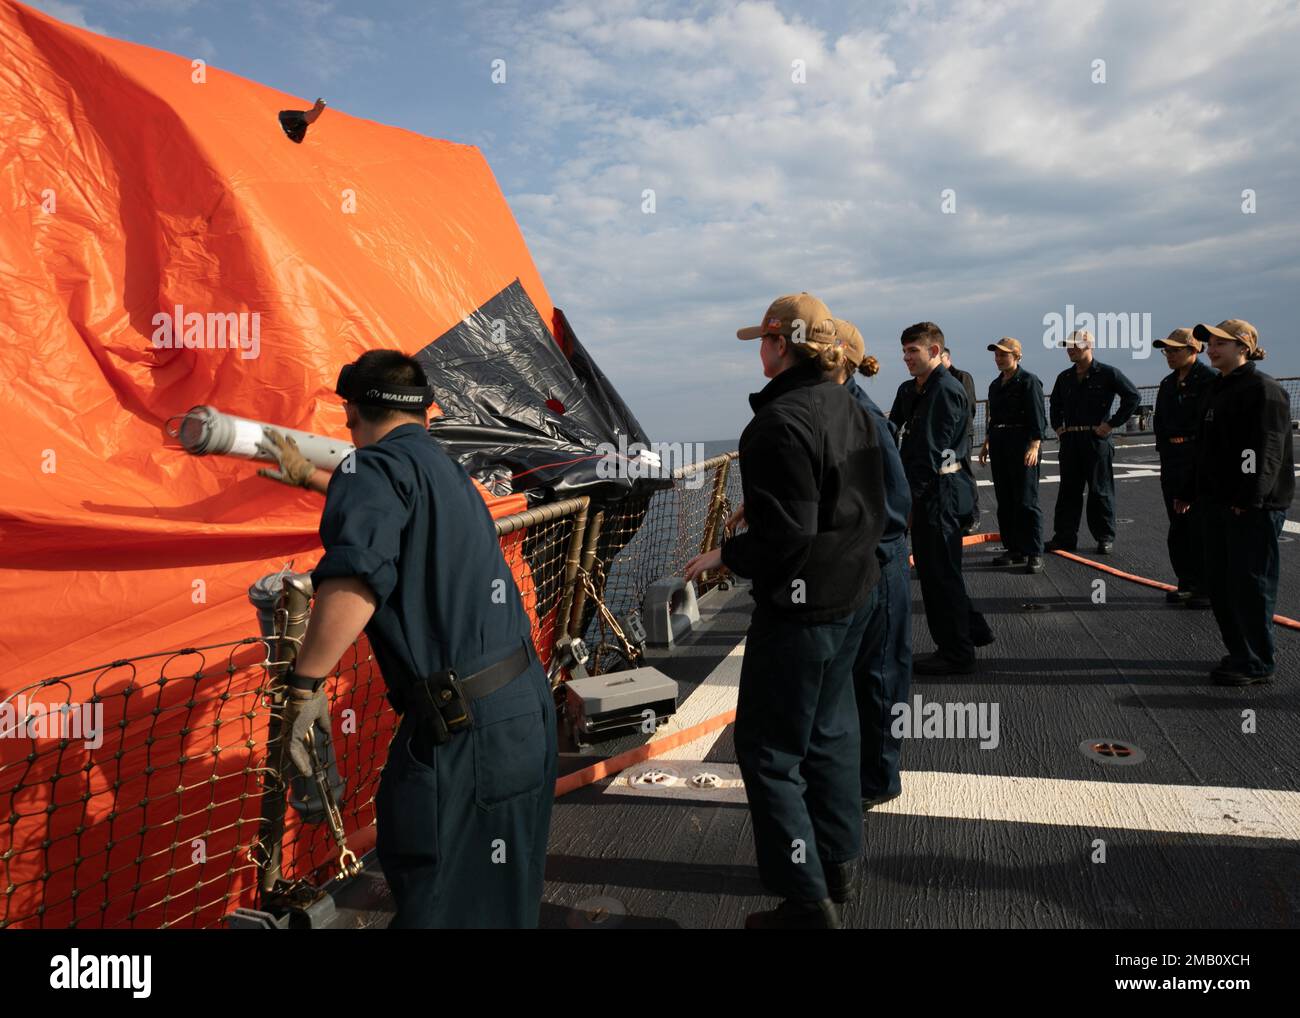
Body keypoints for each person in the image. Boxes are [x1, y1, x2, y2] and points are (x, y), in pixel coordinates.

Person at [257, 349, 557, 927]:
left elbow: (356, 579)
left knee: (440, 900)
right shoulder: (441, 468)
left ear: (352, 413)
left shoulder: (371, 471)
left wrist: (303, 687)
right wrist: (314, 477)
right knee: (502, 894)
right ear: (425, 411)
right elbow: (393, 505)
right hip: (521, 711)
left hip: (464, 735)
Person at [685, 293, 886, 929]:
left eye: (763, 342)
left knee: (770, 754)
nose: (759, 352)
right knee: (832, 733)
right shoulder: (852, 408)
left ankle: (806, 902)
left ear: (780, 344)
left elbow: (786, 538)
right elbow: (861, 504)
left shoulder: (775, 424)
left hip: (803, 611)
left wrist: (726, 553)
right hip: (856, 592)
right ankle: (840, 864)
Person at [834, 319, 913, 814]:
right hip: (863, 564)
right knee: (865, 677)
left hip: (878, 568)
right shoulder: (842, 411)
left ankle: (880, 778)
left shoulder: (864, 417)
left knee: (881, 677)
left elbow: (894, 502)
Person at [1192, 320, 1293, 685]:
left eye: (1221, 343)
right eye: (1210, 343)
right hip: (1218, 502)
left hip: (1251, 507)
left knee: (1251, 584)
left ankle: (1257, 661)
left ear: (1244, 348)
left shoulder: (1263, 390)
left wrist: (1249, 497)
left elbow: (1265, 450)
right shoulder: (1217, 388)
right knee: (1220, 582)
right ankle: (1240, 651)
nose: (1211, 348)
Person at [889, 321, 993, 674]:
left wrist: (905, 505)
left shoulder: (944, 391)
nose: (906, 357)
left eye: (912, 351)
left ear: (934, 351)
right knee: (941, 572)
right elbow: (894, 426)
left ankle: (956, 653)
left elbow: (930, 453)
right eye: (904, 351)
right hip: (932, 492)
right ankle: (971, 631)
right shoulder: (917, 389)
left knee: (939, 576)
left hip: (939, 494)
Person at [1046, 330, 1141, 554]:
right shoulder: (1064, 377)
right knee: (1068, 491)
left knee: (1100, 491)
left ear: (1089, 345)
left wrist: (1111, 424)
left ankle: (1104, 537)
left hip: (1096, 440)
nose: (1070, 349)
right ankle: (1065, 537)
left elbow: (1133, 396)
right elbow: (1054, 404)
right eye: (1067, 345)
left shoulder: (1107, 373)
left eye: (1075, 345)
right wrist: (1059, 428)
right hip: (1071, 441)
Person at [1152, 327, 1216, 606]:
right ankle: (1187, 582)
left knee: (1202, 523)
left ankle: (1207, 587)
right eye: (1167, 350)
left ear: (1194, 350)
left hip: (1198, 455)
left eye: (1175, 350)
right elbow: (1160, 422)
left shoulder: (1210, 380)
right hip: (1173, 459)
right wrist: (1166, 453)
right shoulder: (1168, 383)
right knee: (1178, 525)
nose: (1169, 355)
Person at [978, 338, 1046, 573]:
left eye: (1003, 355)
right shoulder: (995, 385)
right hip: (999, 443)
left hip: (1021, 443)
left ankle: (1034, 552)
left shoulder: (1029, 382)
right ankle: (1014, 548)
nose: (998, 359)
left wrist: (1034, 445)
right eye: (996, 355)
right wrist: (986, 444)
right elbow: (993, 418)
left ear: (1017, 356)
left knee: (1027, 500)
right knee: (1005, 500)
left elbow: (1038, 416)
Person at [940, 347, 981, 533]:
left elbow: (969, 407)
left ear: (946, 357)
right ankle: (956, 515)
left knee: (964, 473)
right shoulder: (936, 380)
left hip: (961, 436)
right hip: (945, 438)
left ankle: (972, 517)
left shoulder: (961, 377)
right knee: (951, 475)